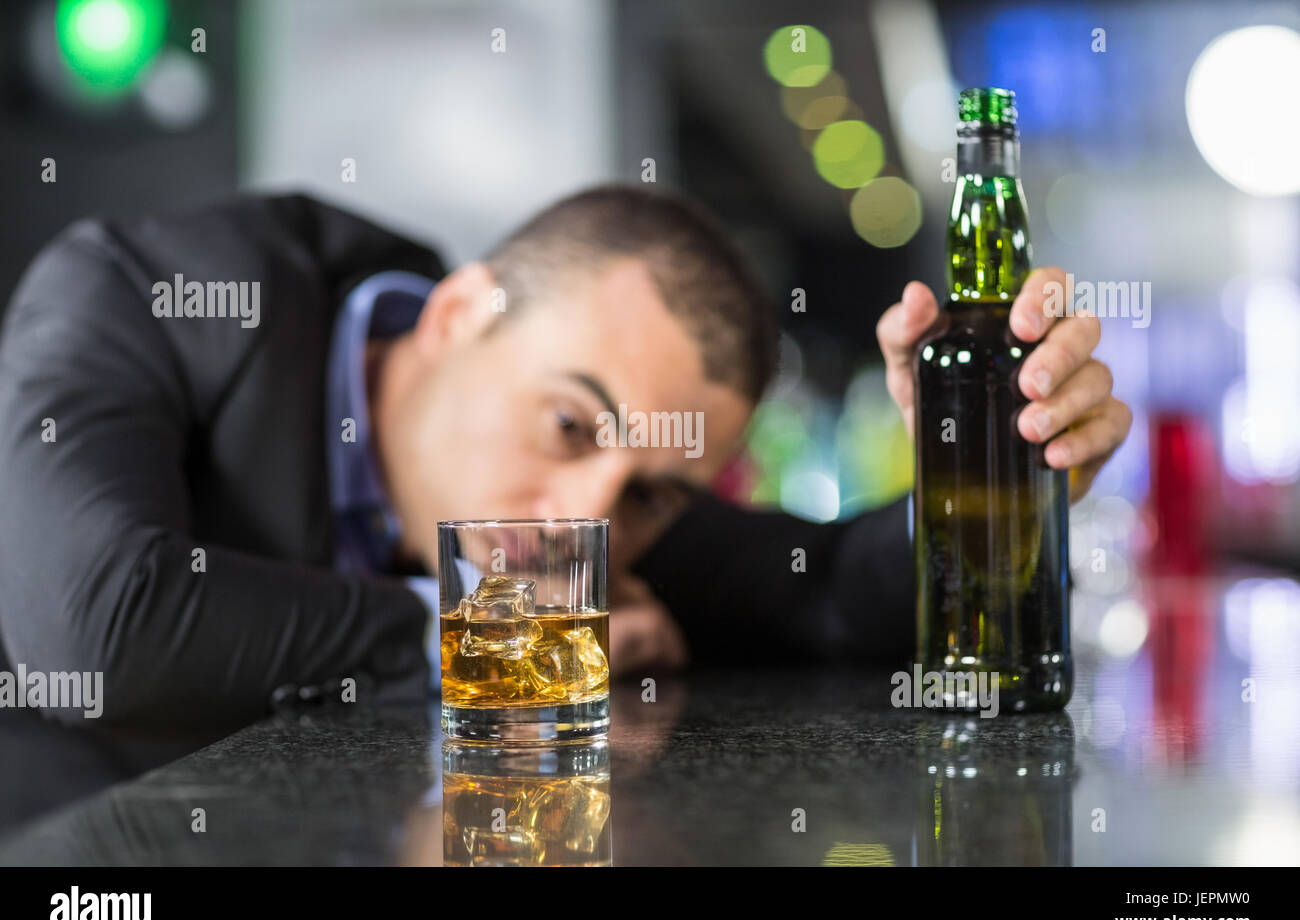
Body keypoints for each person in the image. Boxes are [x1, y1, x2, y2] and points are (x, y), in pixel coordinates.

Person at [0, 187, 1130, 730]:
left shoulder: (590, 505)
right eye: (572, 426)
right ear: (454, 317)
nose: (588, 516)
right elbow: (95, 628)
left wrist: (990, 460)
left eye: (650, 492)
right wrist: (517, 648)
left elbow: (832, 592)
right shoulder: (143, 295)